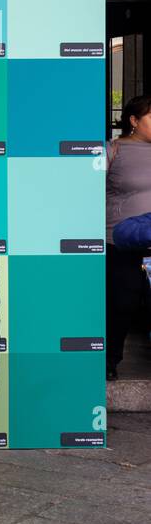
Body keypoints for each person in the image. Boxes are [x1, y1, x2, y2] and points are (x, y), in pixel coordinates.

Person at [105, 96, 151, 380]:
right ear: (133, 121)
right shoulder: (114, 149)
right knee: (122, 303)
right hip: (119, 243)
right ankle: (110, 360)